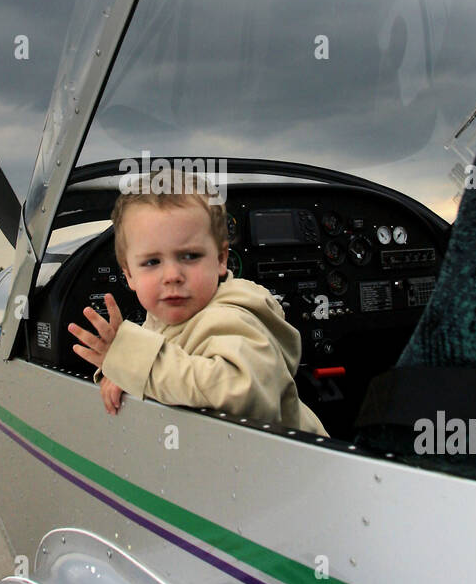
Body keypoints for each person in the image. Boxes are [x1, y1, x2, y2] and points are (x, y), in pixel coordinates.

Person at [68, 183, 329, 436]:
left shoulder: (234, 316)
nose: (172, 275)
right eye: (151, 261)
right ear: (129, 276)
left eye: (190, 256)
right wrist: (123, 371)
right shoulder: (159, 319)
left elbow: (237, 391)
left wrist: (132, 363)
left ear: (220, 260)